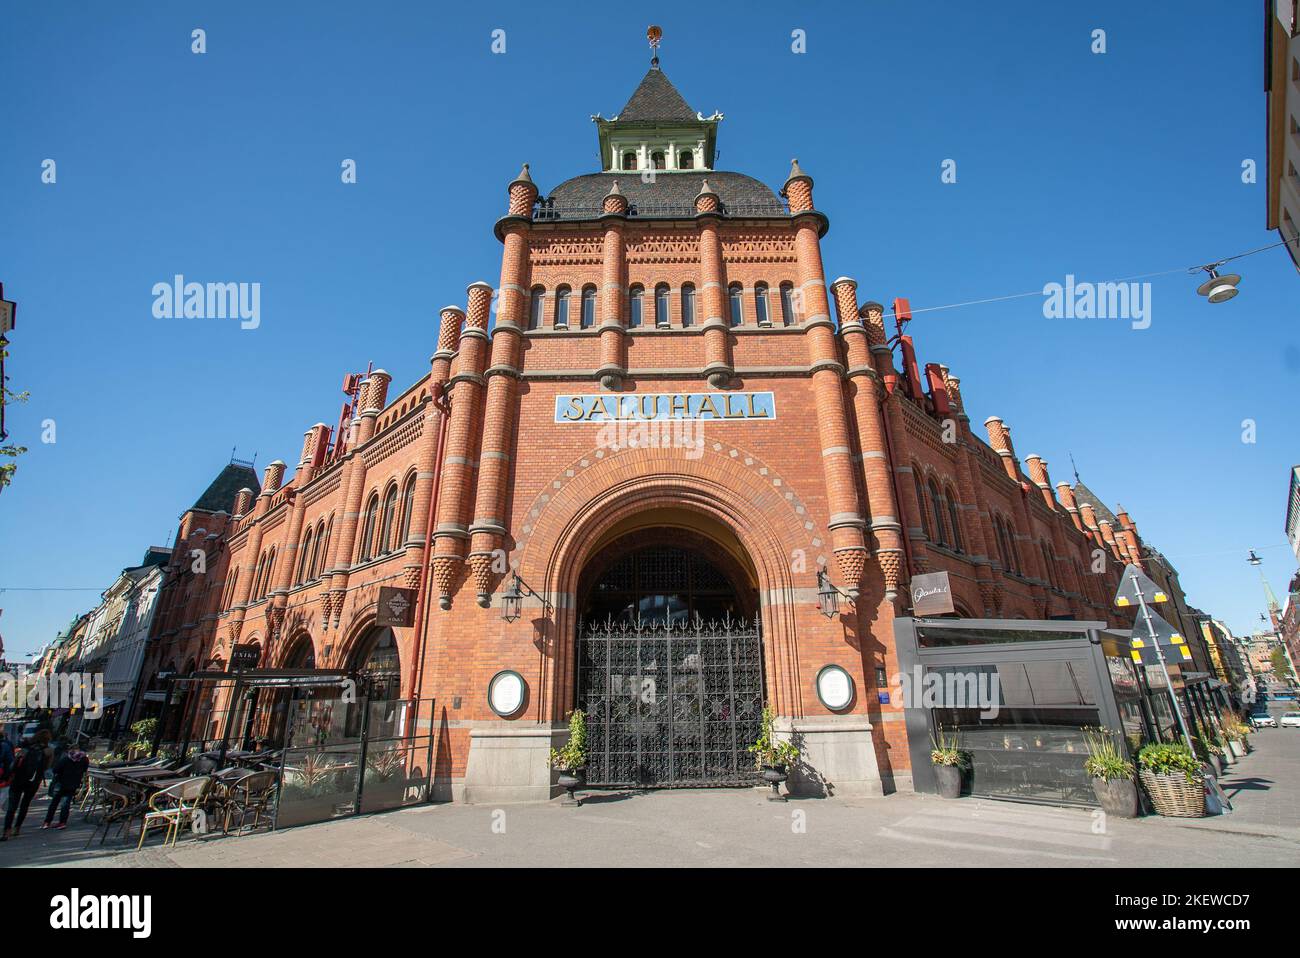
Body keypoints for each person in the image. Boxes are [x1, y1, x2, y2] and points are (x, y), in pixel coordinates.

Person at [2, 730, 52, 840]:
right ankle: (17, 828)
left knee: (12, 807)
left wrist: (8, 775)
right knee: (25, 805)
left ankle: (6, 831)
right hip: (33, 782)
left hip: (18, 779)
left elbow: (14, 764)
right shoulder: (48, 751)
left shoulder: (25, 749)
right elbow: (47, 767)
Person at [42, 745, 90, 830]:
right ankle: (62, 822)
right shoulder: (84, 759)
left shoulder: (65, 759)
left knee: (54, 803)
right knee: (66, 804)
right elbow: (84, 770)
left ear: (70, 750)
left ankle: (47, 822)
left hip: (61, 783)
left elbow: (55, 769)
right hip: (73, 783)